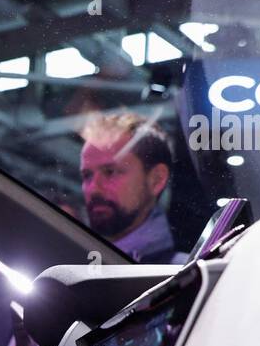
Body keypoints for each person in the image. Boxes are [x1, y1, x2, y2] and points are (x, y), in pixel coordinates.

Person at [79, 111, 187, 264]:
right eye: (87, 175)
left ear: (156, 180)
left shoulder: (183, 275)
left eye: (110, 172)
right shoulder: (78, 259)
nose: (93, 189)